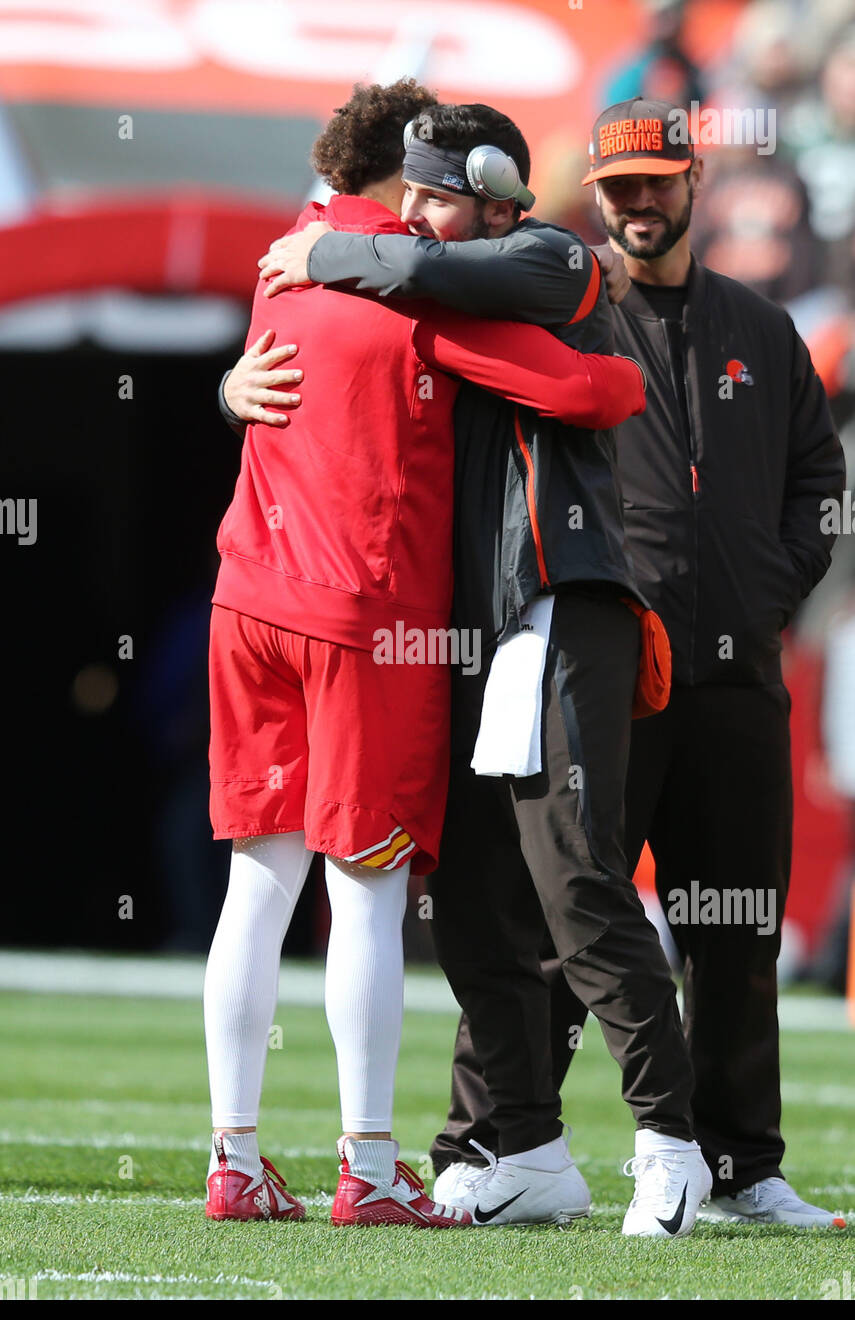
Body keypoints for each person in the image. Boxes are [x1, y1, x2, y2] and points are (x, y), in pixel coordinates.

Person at [267, 97, 846, 1229]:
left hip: (698, 662)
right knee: (527, 906)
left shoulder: (719, 316)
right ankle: (502, 1136)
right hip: (550, 640)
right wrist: (243, 383)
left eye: (656, 183)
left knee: (719, 925)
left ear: (692, 186)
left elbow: (815, 484)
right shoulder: (512, 287)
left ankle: (723, 1158)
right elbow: (374, 346)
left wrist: (767, 596)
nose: (637, 203)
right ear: (595, 194)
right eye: (619, 186)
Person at [204, 79, 646, 1229]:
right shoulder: (415, 295)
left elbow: (255, 377)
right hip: (362, 617)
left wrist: (223, 384)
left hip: (243, 598)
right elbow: (594, 389)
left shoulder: (283, 257)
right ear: (410, 185)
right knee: (368, 890)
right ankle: (367, 1163)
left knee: (257, 883)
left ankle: (237, 1159)